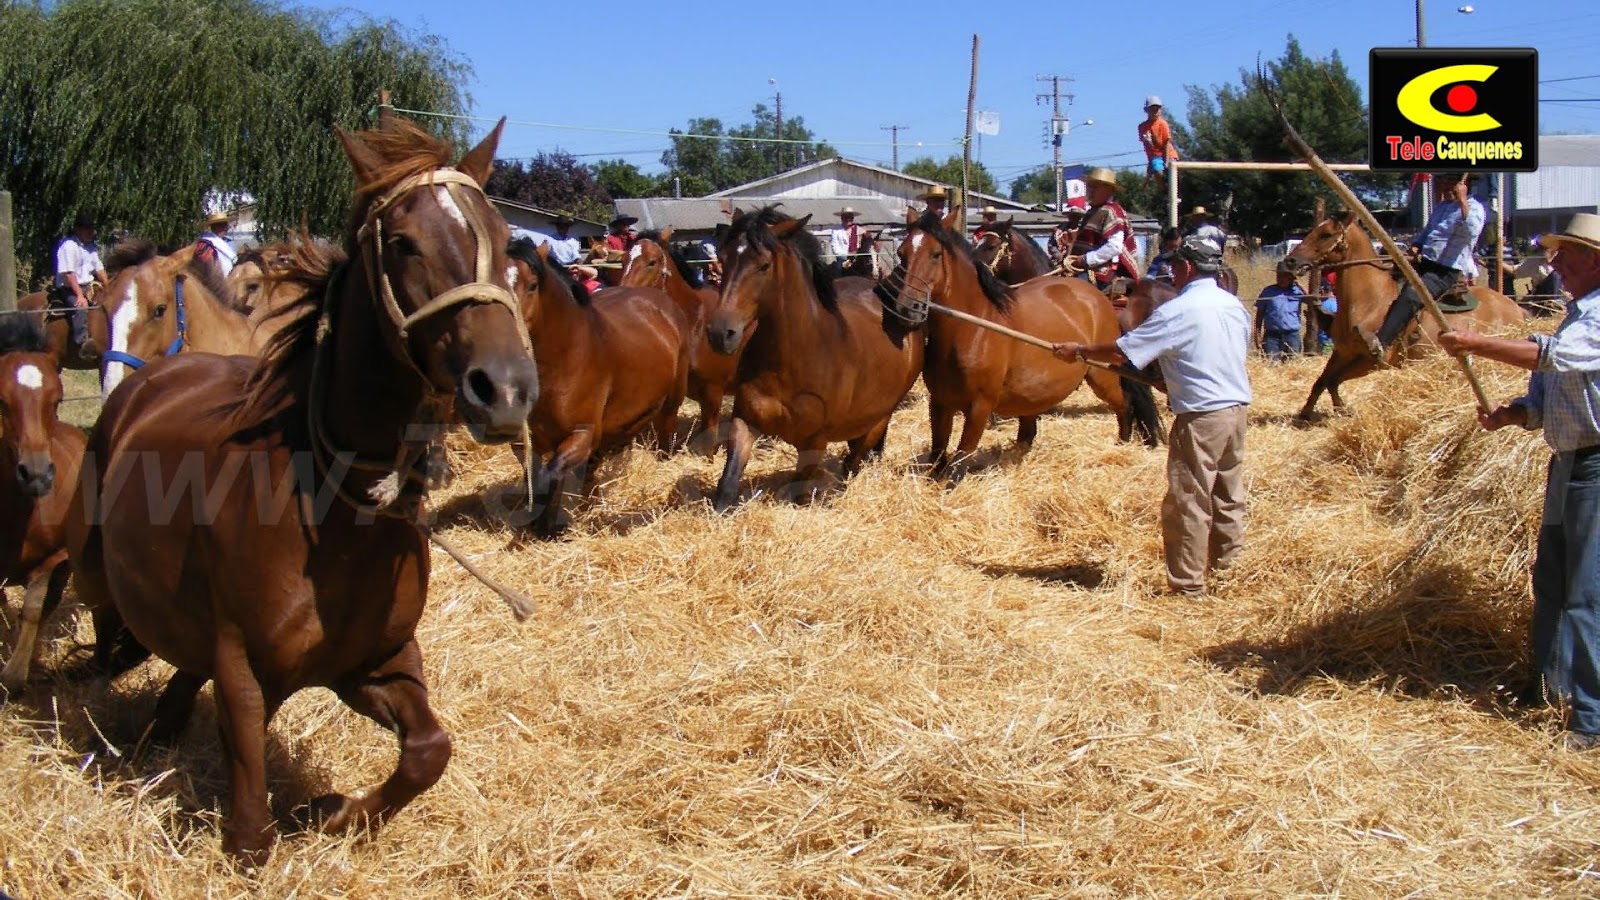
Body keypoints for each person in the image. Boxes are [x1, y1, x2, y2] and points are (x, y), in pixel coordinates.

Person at [1435, 213, 1600, 751]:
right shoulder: (1575, 314)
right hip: (1568, 464)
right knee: (1551, 581)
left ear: (1593, 259)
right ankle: (1547, 689)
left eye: (1565, 255)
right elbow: (1550, 395)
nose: (1554, 263)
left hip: (1596, 470)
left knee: (1586, 594)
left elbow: (1553, 359)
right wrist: (1516, 415)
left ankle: (1590, 719)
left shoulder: (1596, 319)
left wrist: (1475, 344)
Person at [1050, 235, 1251, 597]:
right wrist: (1170, 379)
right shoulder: (1232, 305)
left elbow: (1122, 351)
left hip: (1201, 417)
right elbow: (1220, 354)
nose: (1171, 273)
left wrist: (1078, 350)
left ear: (1187, 268)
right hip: (1235, 411)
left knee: (1188, 501)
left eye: (1175, 266)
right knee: (1228, 495)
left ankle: (1188, 587)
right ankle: (1228, 572)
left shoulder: (1180, 309)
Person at [1360, 172, 1485, 359]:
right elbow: (1428, 231)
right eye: (1442, 181)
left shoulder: (1475, 208)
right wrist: (1417, 245)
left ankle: (1381, 343)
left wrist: (1462, 201)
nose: (1444, 186)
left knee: (1412, 295)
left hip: (1446, 270)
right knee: (1387, 281)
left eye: (1449, 181)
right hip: (1426, 262)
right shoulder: (1442, 207)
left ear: (1463, 184)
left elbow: (1470, 231)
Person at [1064, 167, 1139, 290]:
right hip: (1080, 266)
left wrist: (1086, 259)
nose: (1090, 190)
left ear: (1109, 190)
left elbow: (1115, 247)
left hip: (1101, 270)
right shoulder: (1092, 211)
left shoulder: (1113, 211)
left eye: (1095, 187)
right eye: (1089, 186)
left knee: (1074, 290)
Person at [52, 212, 106, 362]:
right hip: (70, 288)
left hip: (88, 285)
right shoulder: (69, 246)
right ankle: (81, 343)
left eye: (92, 229)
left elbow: (99, 269)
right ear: (77, 230)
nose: (91, 232)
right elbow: (69, 274)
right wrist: (80, 296)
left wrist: (109, 287)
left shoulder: (90, 248)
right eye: (87, 228)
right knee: (80, 308)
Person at [1254, 259, 1305, 361]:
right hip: (1272, 335)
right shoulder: (1268, 291)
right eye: (1279, 275)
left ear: (1291, 278)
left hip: (1292, 335)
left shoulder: (1297, 292)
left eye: (1285, 276)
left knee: (1293, 365)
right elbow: (1259, 314)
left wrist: (1300, 286)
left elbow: (1312, 300)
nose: (1281, 279)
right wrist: (1257, 334)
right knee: (1271, 365)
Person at [1138, 95, 1179, 183]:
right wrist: (1150, 162)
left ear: (1160, 110)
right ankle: (1164, 192)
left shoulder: (1163, 124)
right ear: (1146, 110)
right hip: (1155, 157)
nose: (1155, 112)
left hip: (1169, 155)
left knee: (1172, 175)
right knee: (1157, 170)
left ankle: (1174, 191)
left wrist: (1166, 162)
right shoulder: (1142, 127)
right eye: (1152, 109)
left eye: (1157, 109)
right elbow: (1147, 148)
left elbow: (1166, 144)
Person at [193, 211, 238, 276]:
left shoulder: (229, 242)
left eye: (226, 225)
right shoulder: (205, 244)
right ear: (214, 227)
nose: (226, 228)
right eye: (222, 225)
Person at [829, 206, 863, 274]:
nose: (848, 219)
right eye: (846, 217)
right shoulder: (836, 230)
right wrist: (848, 254)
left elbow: (862, 244)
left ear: (853, 218)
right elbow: (835, 249)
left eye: (850, 217)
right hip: (842, 259)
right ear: (842, 218)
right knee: (837, 271)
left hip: (857, 259)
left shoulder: (858, 229)